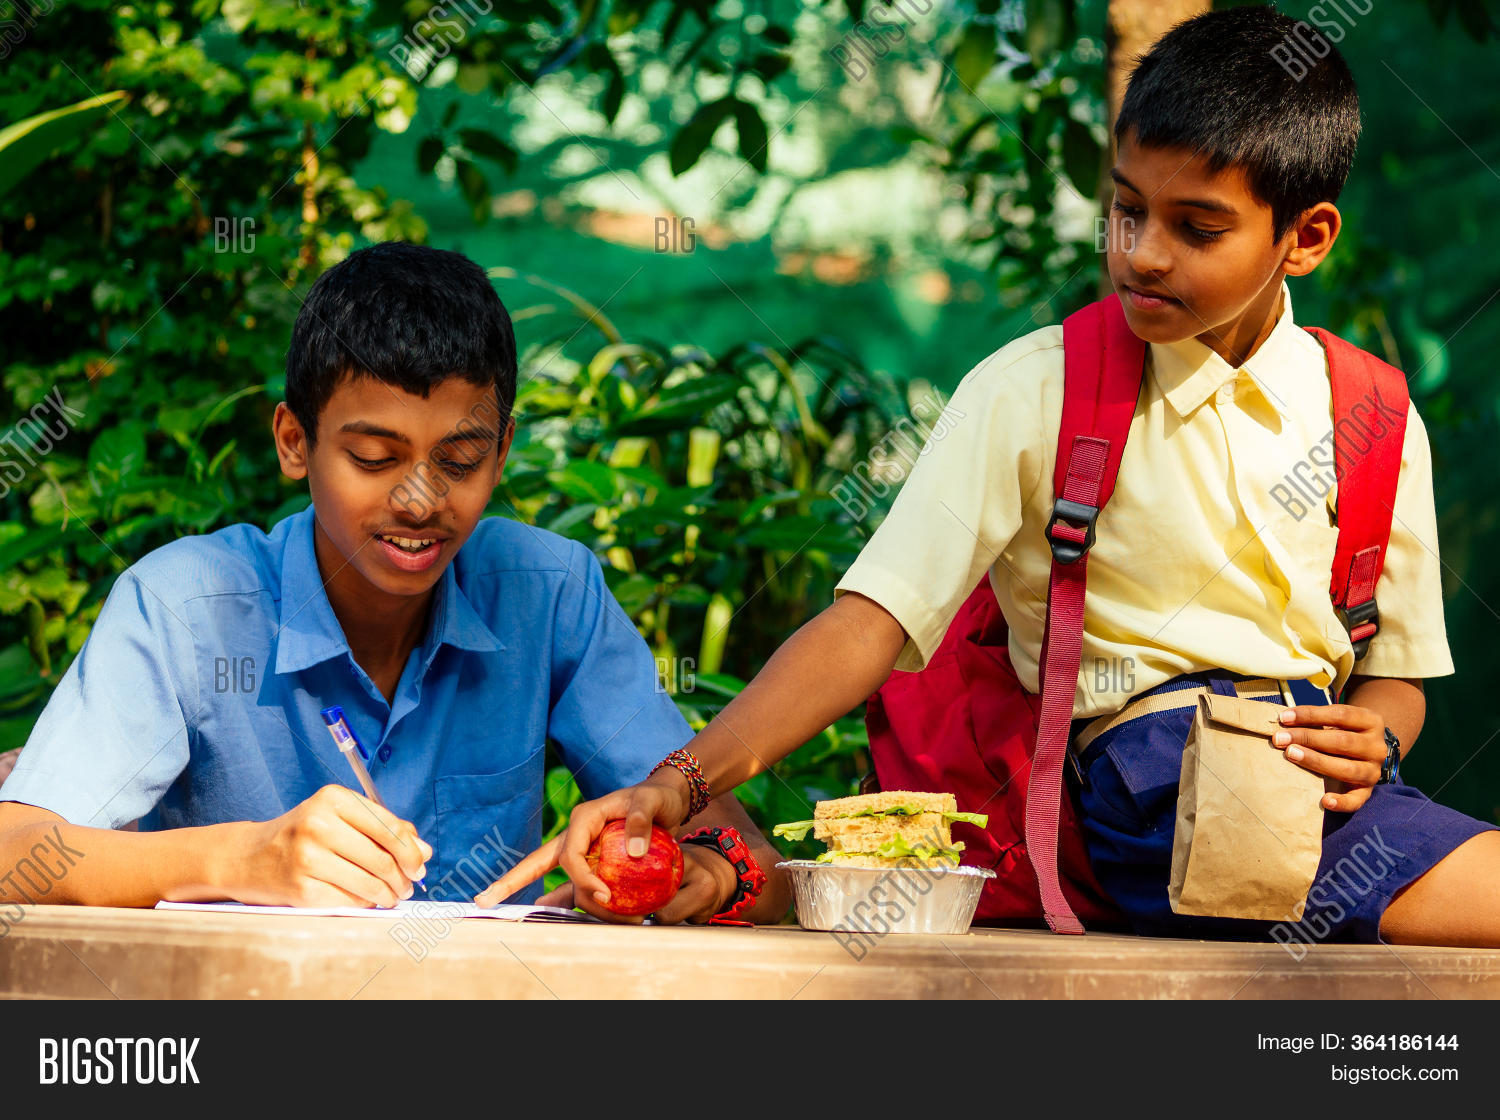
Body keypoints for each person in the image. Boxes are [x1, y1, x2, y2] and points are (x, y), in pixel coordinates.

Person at [479, 6, 1500, 945]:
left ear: (1306, 237)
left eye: (1196, 228)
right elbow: (868, 626)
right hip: (1143, 789)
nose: (1140, 253)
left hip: (1316, 795)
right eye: (1125, 209)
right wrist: (679, 784)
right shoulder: (1037, 389)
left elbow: (1393, 671)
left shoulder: (1370, 410)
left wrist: (1374, 734)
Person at [0, 242, 789, 925]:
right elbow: (13, 853)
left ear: (504, 450)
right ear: (293, 442)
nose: (419, 500)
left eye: (459, 460)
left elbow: (751, 860)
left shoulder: (548, 594)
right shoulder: (186, 606)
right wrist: (246, 857)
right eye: (374, 458)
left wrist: (707, 875)